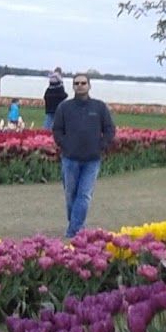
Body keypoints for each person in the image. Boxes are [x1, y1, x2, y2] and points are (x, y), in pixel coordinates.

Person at [50, 74, 115, 238]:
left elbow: (109, 129)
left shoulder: (99, 107)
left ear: (89, 86)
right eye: (76, 83)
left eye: (83, 83)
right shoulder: (64, 108)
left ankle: (75, 230)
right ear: (73, 86)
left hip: (92, 159)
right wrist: (64, 143)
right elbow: (56, 129)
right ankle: (77, 225)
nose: (80, 86)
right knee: (71, 196)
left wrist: (101, 144)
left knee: (84, 195)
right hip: (70, 158)